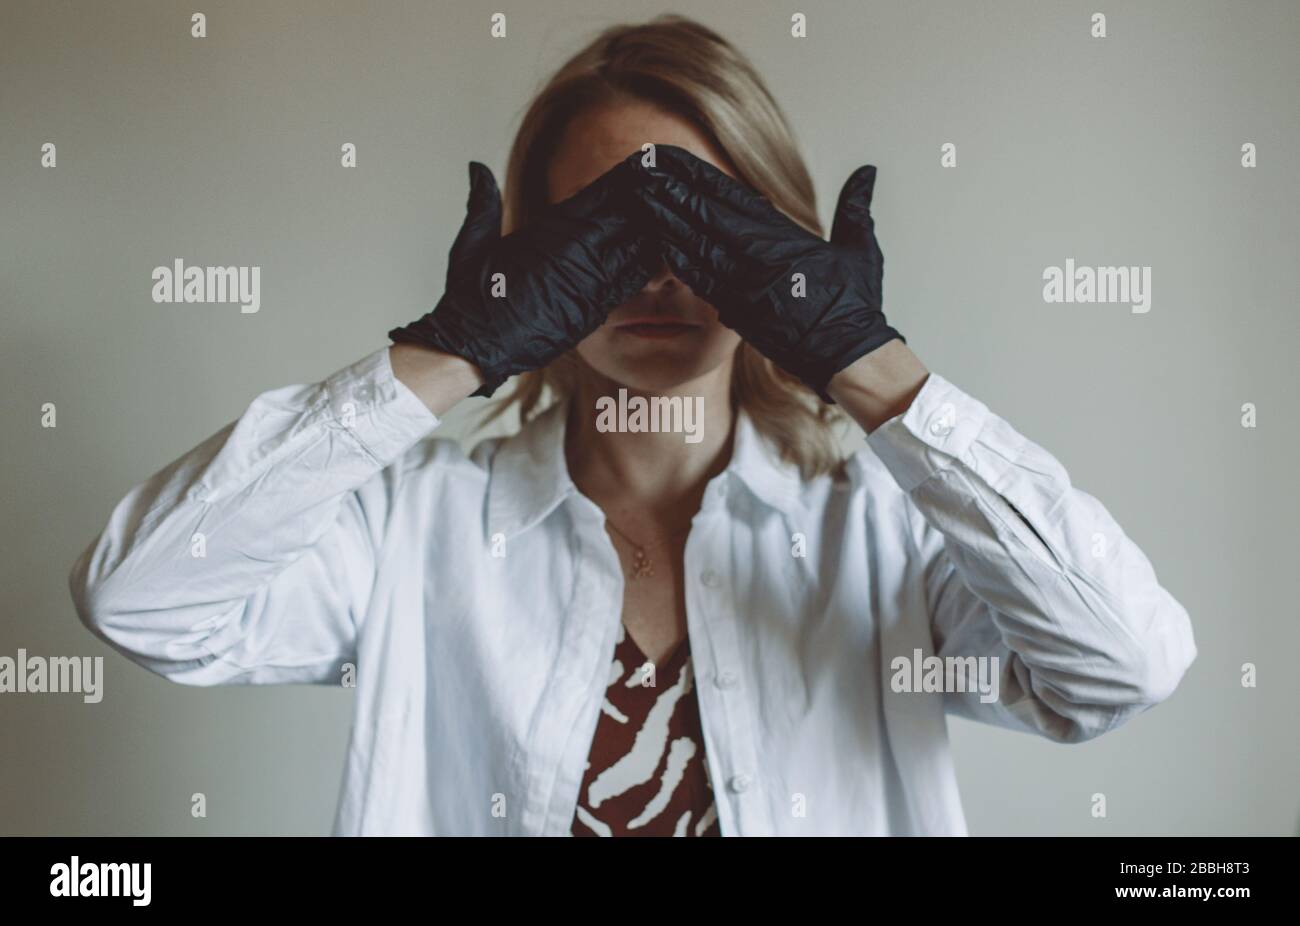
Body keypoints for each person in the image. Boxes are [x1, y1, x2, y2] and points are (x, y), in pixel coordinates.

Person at [69, 15, 1196, 837]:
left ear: (779, 249)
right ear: (524, 254)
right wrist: (451, 348)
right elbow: (144, 596)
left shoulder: (884, 542)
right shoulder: (417, 532)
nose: (655, 276)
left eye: (702, 228)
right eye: (602, 233)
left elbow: (1120, 665)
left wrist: (867, 361)